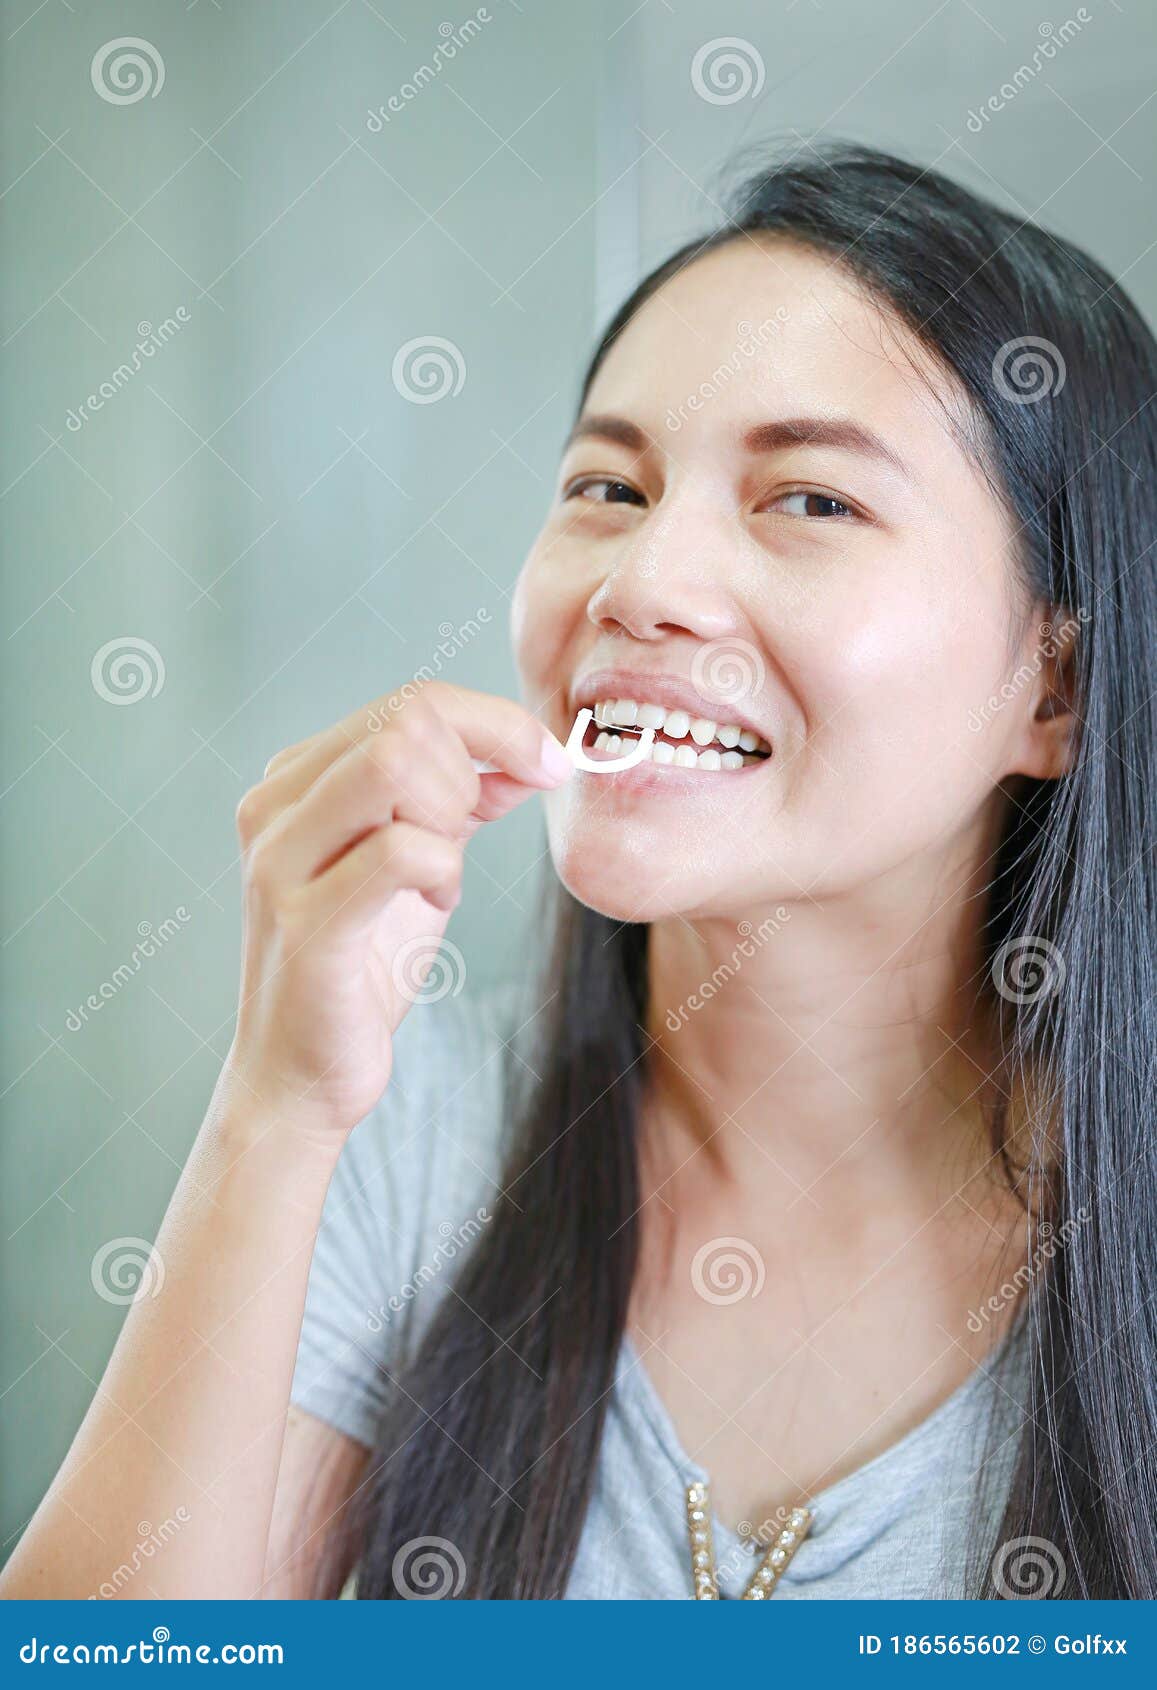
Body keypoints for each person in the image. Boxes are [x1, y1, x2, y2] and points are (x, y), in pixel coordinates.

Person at [6, 141, 1156, 1601]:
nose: (640, 585)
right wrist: (275, 1109)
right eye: (609, 487)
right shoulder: (413, 1139)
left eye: (809, 501)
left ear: (1053, 688)